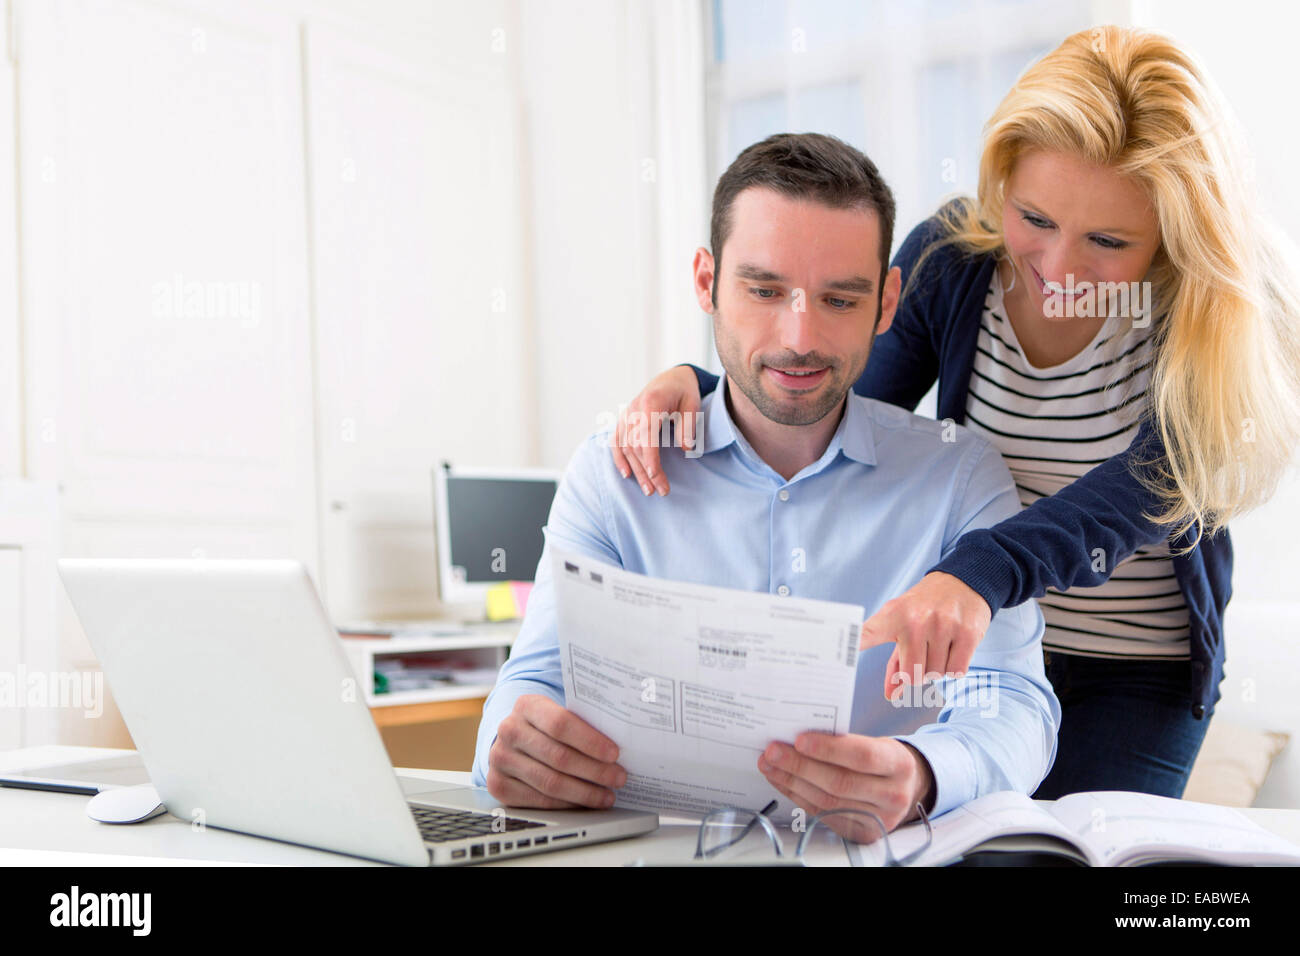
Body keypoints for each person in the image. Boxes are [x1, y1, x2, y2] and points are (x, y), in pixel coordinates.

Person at [610, 26, 1300, 799]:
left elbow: (1139, 495)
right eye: (1035, 219)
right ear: (1002, 180)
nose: (1058, 268)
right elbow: (845, 402)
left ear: (1172, 234)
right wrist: (708, 387)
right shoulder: (952, 261)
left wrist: (977, 572)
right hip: (982, 658)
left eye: (1107, 240)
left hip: (1134, 677)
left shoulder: (1207, 311)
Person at [472, 132, 1060, 842]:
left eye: (840, 299)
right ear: (705, 283)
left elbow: (1016, 705)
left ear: (887, 303)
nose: (799, 337)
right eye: (763, 290)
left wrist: (922, 774)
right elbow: (531, 684)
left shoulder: (959, 476)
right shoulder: (612, 475)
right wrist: (513, 747)